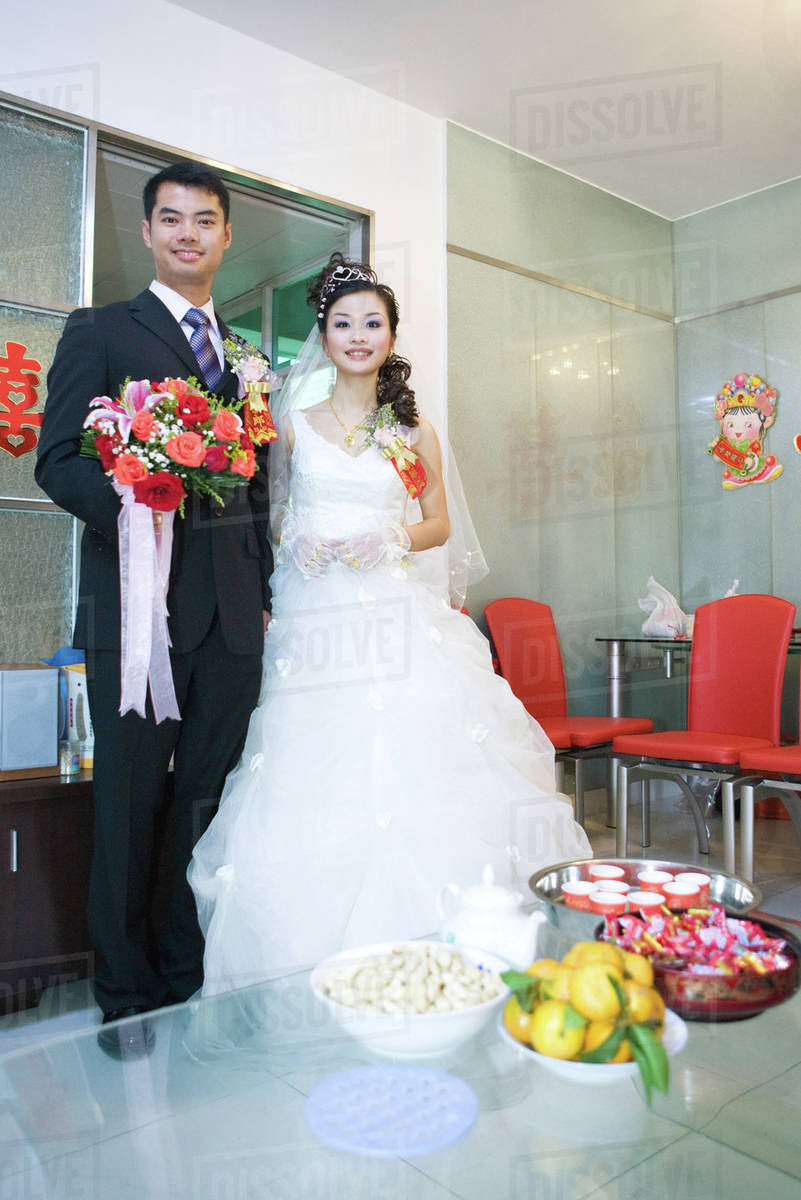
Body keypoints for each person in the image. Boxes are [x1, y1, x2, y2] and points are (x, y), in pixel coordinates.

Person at [189, 253, 591, 997]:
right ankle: (312, 974)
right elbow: (268, 518)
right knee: (311, 769)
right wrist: (295, 541)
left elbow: (440, 524)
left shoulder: (412, 430)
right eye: (343, 322)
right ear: (324, 333)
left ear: (391, 335)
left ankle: (446, 967)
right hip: (315, 618)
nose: (357, 334)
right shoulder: (291, 425)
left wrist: (391, 538)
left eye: (372, 322)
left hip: (396, 610)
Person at [36, 161, 271, 1056]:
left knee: (203, 800)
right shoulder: (101, 329)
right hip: (137, 614)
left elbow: (260, 487)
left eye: (203, 220)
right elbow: (57, 460)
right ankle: (125, 992)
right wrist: (145, 501)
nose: (186, 234)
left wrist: (267, 593)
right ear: (146, 232)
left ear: (223, 235)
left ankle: (183, 970)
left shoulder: (246, 357)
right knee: (130, 802)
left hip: (231, 619)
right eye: (169, 219)